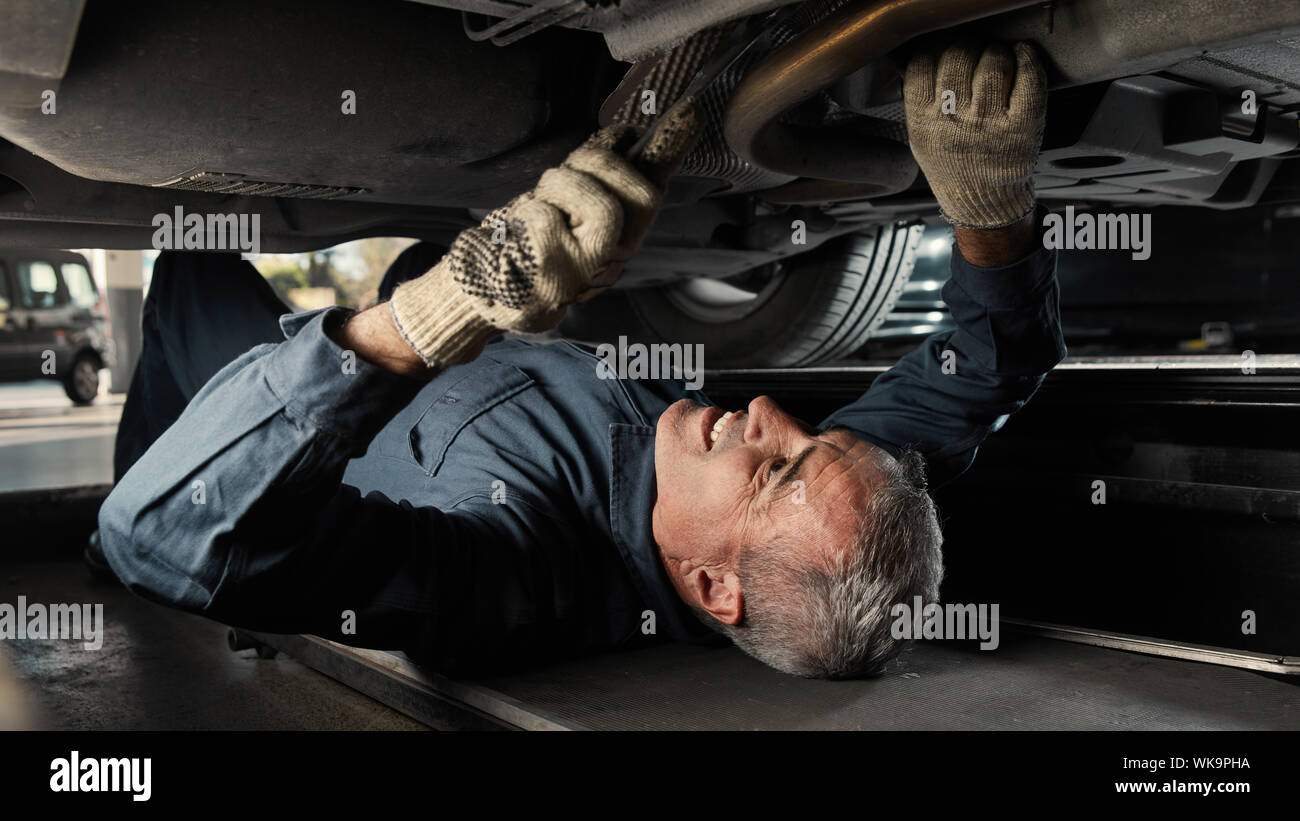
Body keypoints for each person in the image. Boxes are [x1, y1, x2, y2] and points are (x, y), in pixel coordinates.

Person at [98, 41, 1064, 678]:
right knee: (414, 257)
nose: (771, 410)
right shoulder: (834, 504)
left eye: (774, 467)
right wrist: (989, 205)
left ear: (712, 586)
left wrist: (432, 319)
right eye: (814, 438)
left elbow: (168, 539)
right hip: (476, 338)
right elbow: (992, 361)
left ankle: (148, 433)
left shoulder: (511, 581)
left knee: (190, 268)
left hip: (307, 413)